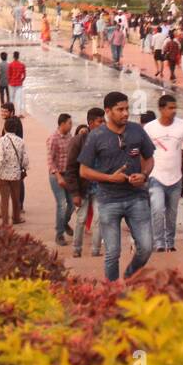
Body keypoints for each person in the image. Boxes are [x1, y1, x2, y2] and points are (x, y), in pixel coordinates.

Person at [78, 91, 155, 282]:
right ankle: (111, 292)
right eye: (120, 109)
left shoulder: (137, 131)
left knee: (146, 247)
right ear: (108, 111)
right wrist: (109, 178)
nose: (125, 113)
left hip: (136, 197)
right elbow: (84, 171)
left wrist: (144, 175)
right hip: (108, 200)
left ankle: (130, 275)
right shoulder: (96, 136)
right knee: (113, 252)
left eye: (127, 108)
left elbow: (149, 158)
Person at [145, 95, 183, 253]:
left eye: (175, 108)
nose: (173, 111)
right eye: (170, 108)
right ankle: (159, 243)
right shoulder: (150, 128)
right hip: (156, 177)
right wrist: (143, 174)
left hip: (175, 178)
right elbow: (144, 152)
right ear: (161, 109)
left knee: (172, 214)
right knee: (158, 210)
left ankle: (170, 242)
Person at [65, 108, 104, 258]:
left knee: (100, 218)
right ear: (91, 123)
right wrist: (74, 193)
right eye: (100, 121)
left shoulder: (106, 140)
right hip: (83, 188)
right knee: (81, 219)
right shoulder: (78, 141)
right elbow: (70, 169)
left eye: (104, 121)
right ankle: (77, 249)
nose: (103, 124)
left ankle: (95, 250)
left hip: (100, 188)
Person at [0, 116, 29, 226]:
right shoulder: (20, 141)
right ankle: (16, 218)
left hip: (3, 175)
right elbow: (25, 159)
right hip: (16, 175)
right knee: (15, 198)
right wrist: (23, 168)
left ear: (4, 128)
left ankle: (5, 222)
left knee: (4, 199)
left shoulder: (0, 141)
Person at [46, 113, 75, 246]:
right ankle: (59, 235)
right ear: (62, 124)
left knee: (72, 204)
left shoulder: (70, 137)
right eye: (69, 123)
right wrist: (58, 177)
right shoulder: (53, 138)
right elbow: (50, 161)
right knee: (62, 204)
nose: (71, 125)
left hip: (68, 175)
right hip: (56, 175)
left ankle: (63, 223)